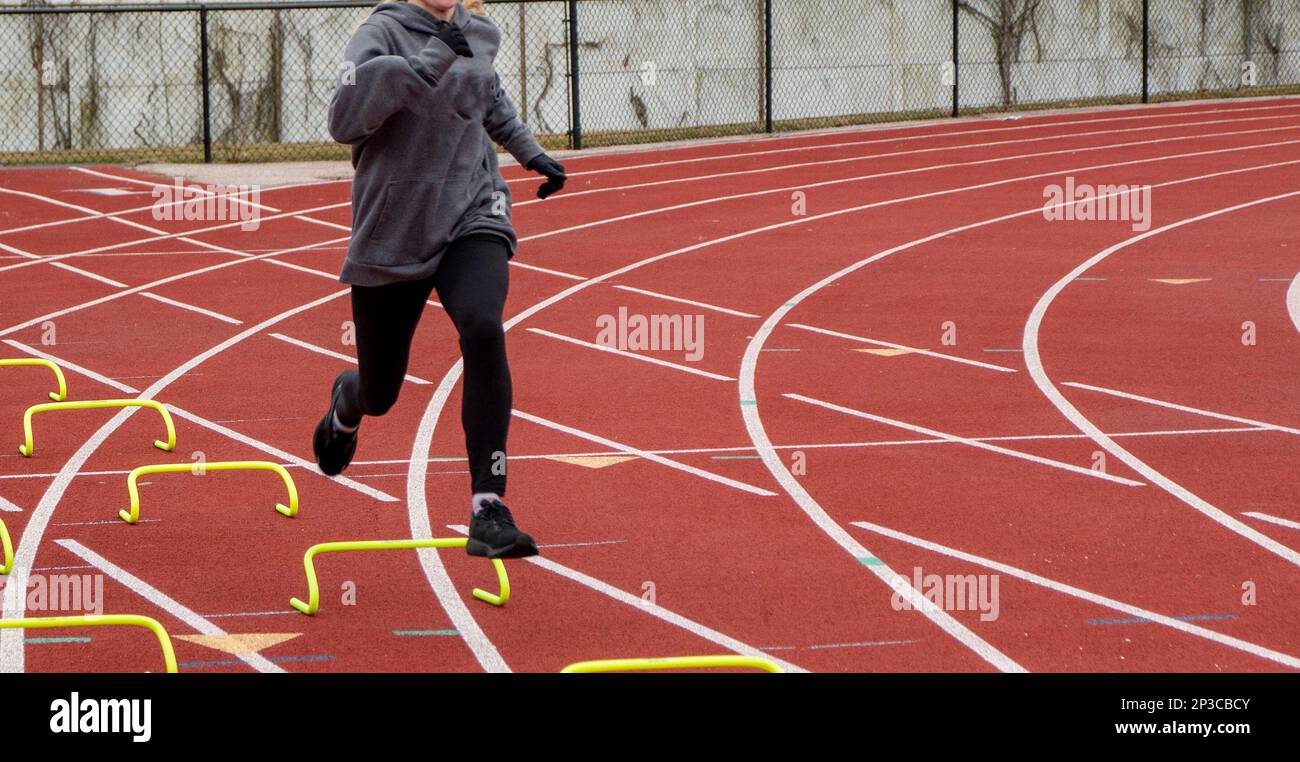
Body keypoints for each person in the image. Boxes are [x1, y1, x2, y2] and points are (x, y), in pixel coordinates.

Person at [316, 0, 565, 559]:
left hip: (472, 211)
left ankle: (487, 504)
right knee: (381, 391)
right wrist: (426, 60)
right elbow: (342, 119)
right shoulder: (378, 34)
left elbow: (488, 98)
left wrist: (530, 152)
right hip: (394, 229)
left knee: (482, 326)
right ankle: (346, 403)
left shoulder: (481, 33)